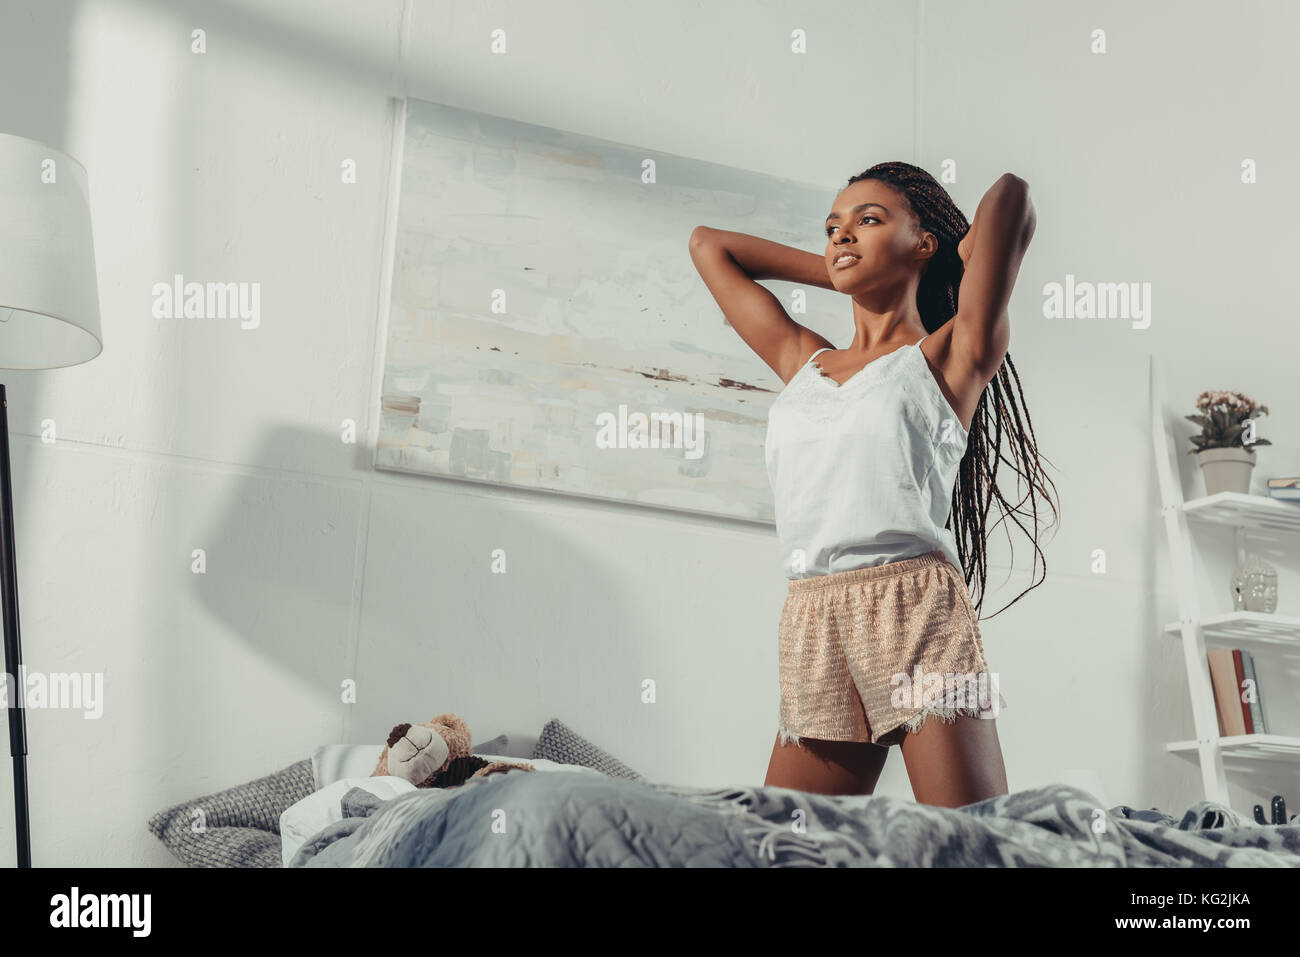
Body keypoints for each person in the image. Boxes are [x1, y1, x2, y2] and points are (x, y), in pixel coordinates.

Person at [688, 163, 1057, 806]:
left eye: (868, 220)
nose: (841, 236)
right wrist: (844, 266)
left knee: (973, 845)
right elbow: (708, 246)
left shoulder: (952, 352)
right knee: (783, 847)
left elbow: (1011, 196)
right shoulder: (801, 359)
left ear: (924, 242)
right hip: (812, 611)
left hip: (915, 606)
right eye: (832, 226)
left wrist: (953, 261)